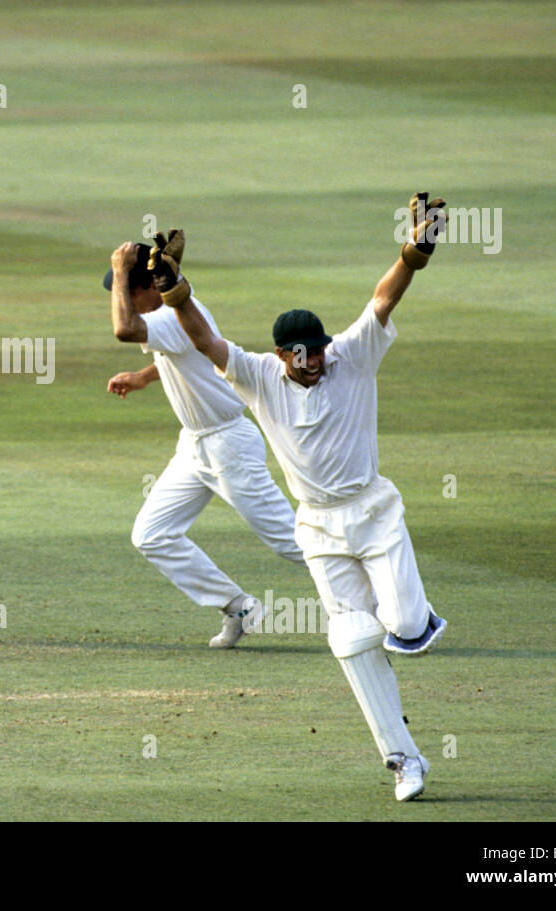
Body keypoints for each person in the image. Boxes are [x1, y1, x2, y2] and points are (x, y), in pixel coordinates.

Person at [146, 195, 448, 801]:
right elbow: (204, 340)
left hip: (374, 512)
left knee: (406, 627)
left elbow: (383, 298)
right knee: (351, 641)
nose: (313, 364)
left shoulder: (351, 356)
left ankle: (410, 619)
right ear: (281, 355)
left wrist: (415, 251)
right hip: (317, 528)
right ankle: (403, 760)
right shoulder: (257, 374)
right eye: (301, 357)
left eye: (318, 352)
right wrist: (175, 292)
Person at [105, 239, 306, 649]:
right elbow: (183, 353)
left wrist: (121, 267)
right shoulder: (175, 311)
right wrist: (143, 377)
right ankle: (238, 606)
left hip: (229, 445)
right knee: (152, 535)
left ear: (146, 287)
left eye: (125, 290)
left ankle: (388, 600)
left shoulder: (168, 315)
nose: (123, 299)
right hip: (195, 445)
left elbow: (124, 329)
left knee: (293, 543)